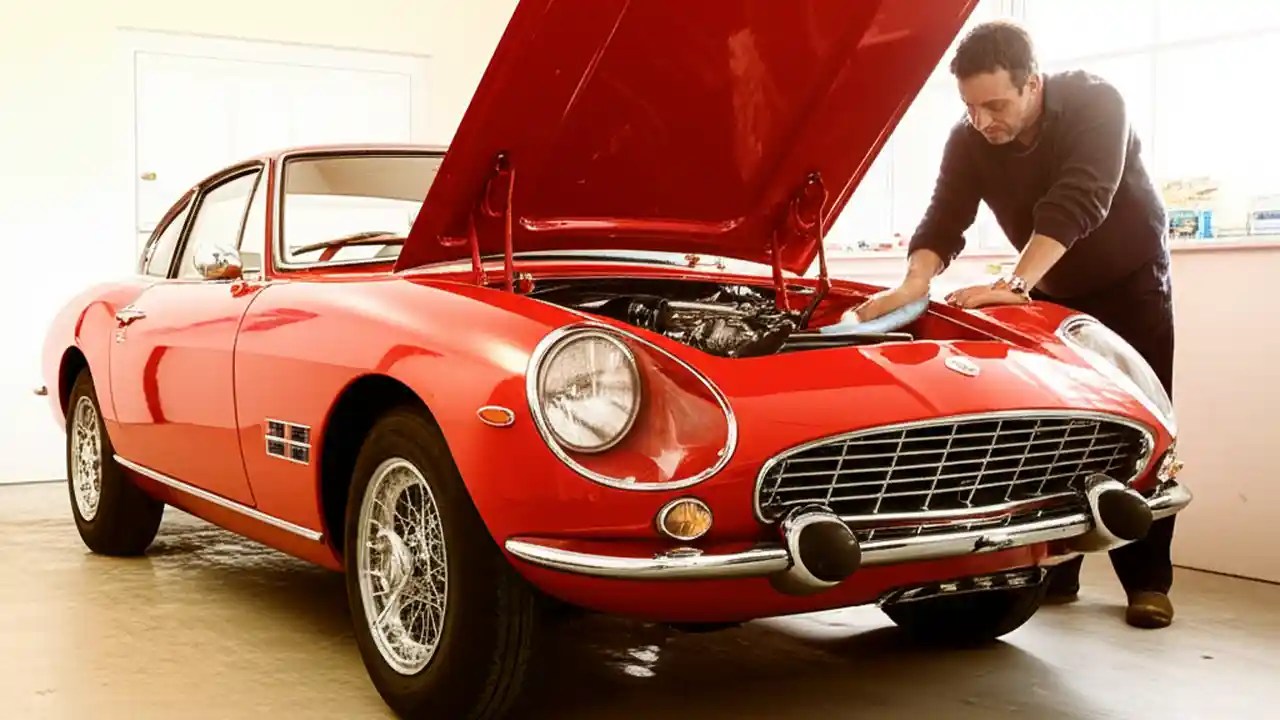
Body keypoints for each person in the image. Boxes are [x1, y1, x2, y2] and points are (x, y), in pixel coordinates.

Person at [855, 20, 1177, 629]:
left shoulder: (1098, 103)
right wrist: (913, 283)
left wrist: (1013, 286)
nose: (982, 121)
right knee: (1063, 428)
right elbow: (943, 216)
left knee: (1142, 427)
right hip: (1048, 291)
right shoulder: (970, 136)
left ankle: (1148, 582)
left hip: (1131, 282)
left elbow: (1080, 200)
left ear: (1034, 84)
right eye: (970, 107)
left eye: (995, 105)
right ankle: (1059, 565)